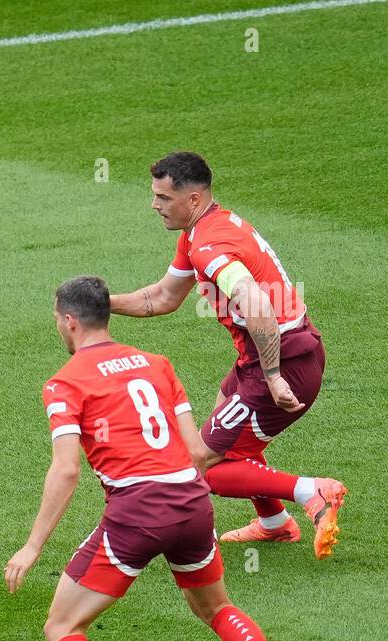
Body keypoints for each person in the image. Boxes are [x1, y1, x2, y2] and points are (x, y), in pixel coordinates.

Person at [6, 276, 319, 641]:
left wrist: (32, 545)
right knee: (216, 608)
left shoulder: (63, 383)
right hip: (193, 502)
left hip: (136, 512)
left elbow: (66, 470)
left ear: (68, 320)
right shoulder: (157, 365)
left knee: (62, 625)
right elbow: (197, 451)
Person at [108, 151, 345, 558]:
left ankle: (313, 492)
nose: (155, 205)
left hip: (284, 362)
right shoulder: (199, 233)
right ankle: (274, 524)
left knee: (202, 463)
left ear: (194, 200)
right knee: (225, 429)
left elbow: (257, 305)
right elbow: (163, 297)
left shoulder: (210, 247)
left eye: (164, 198)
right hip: (270, 357)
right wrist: (102, 303)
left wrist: (272, 377)